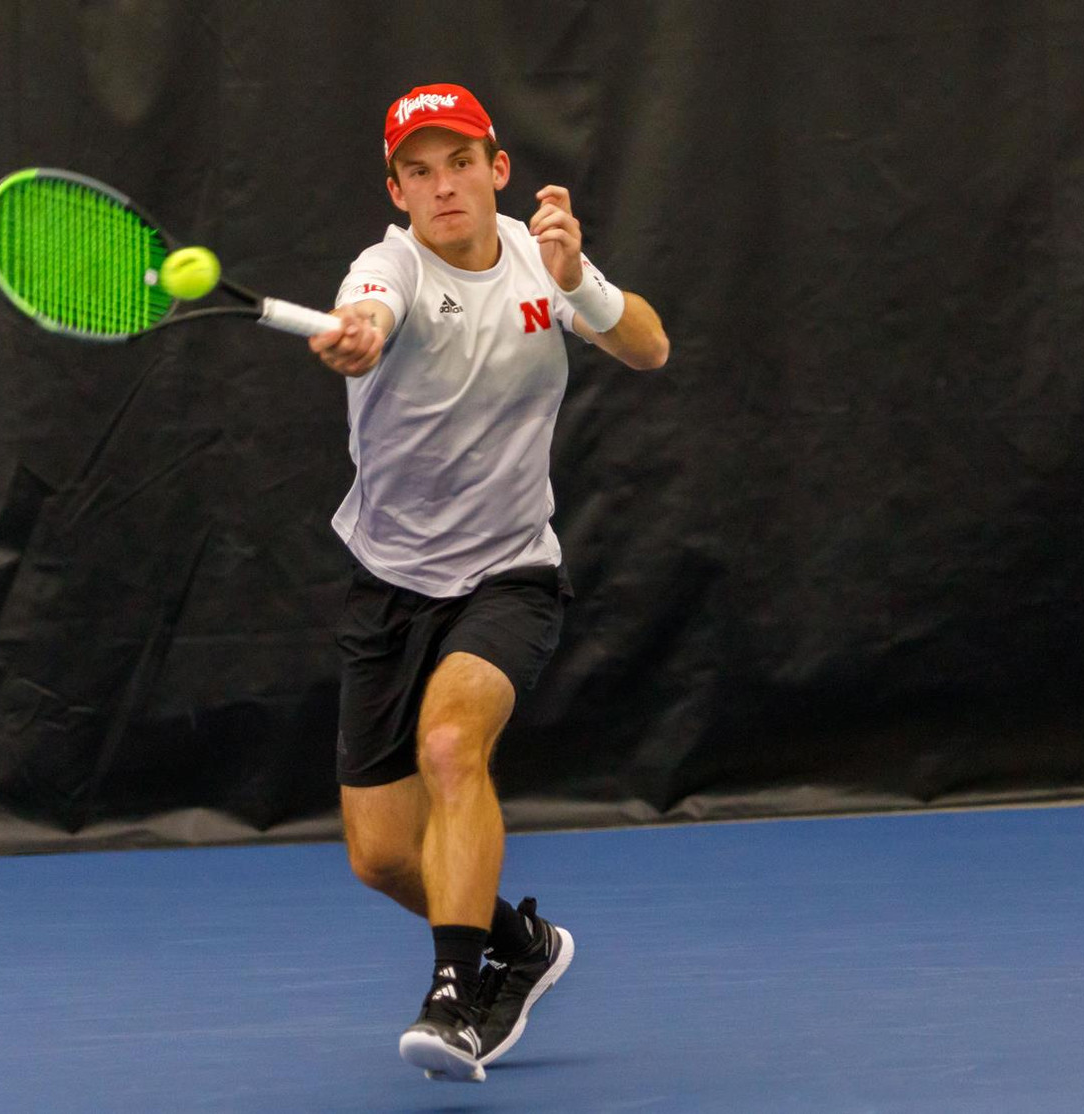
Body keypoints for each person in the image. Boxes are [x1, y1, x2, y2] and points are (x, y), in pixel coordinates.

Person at [307, 83, 670, 1082]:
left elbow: (649, 345)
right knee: (381, 856)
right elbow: (369, 314)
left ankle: (457, 994)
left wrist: (579, 277)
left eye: (459, 161)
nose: (443, 185)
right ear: (398, 189)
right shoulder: (385, 267)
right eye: (418, 171)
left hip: (511, 570)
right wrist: (360, 336)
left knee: (451, 743)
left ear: (495, 168)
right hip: (388, 583)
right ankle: (522, 942)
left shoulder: (539, 257)